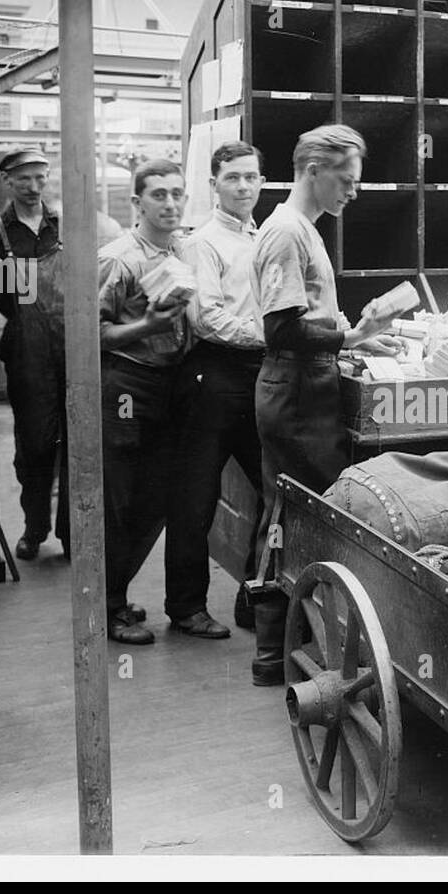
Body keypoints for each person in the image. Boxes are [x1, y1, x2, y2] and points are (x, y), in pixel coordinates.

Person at [249, 124, 399, 685]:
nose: (353, 192)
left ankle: (283, 647)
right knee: (291, 514)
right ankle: (273, 654)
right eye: (347, 179)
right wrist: (353, 338)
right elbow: (281, 329)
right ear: (314, 169)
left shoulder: (304, 229)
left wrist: (353, 335)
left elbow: (302, 318)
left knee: (292, 513)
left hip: (306, 385)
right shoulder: (287, 232)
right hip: (296, 391)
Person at [164, 141, 267, 638]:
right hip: (212, 376)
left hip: (255, 376)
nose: (243, 186)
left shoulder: (262, 237)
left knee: (273, 488)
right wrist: (272, 336)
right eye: (233, 178)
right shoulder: (201, 242)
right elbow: (206, 319)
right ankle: (185, 608)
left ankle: (255, 597)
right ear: (215, 185)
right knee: (194, 498)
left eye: (251, 177)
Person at [96, 159, 191, 644]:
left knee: (155, 499)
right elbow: (92, 333)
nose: (170, 203)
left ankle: (113, 595)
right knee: (121, 501)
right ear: (137, 203)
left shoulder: (182, 249)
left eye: (177, 193)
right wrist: (147, 327)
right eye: (159, 195)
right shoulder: (118, 258)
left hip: (170, 385)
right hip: (128, 385)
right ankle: (109, 608)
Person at [0, 148, 69, 561]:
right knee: (35, 444)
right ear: (7, 181)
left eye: (40, 178)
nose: (34, 187)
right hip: (26, 350)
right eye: (25, 179)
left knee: (78, 440)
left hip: (69, 343)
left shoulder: (66, 223)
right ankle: (35, 527)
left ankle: (71, 530)